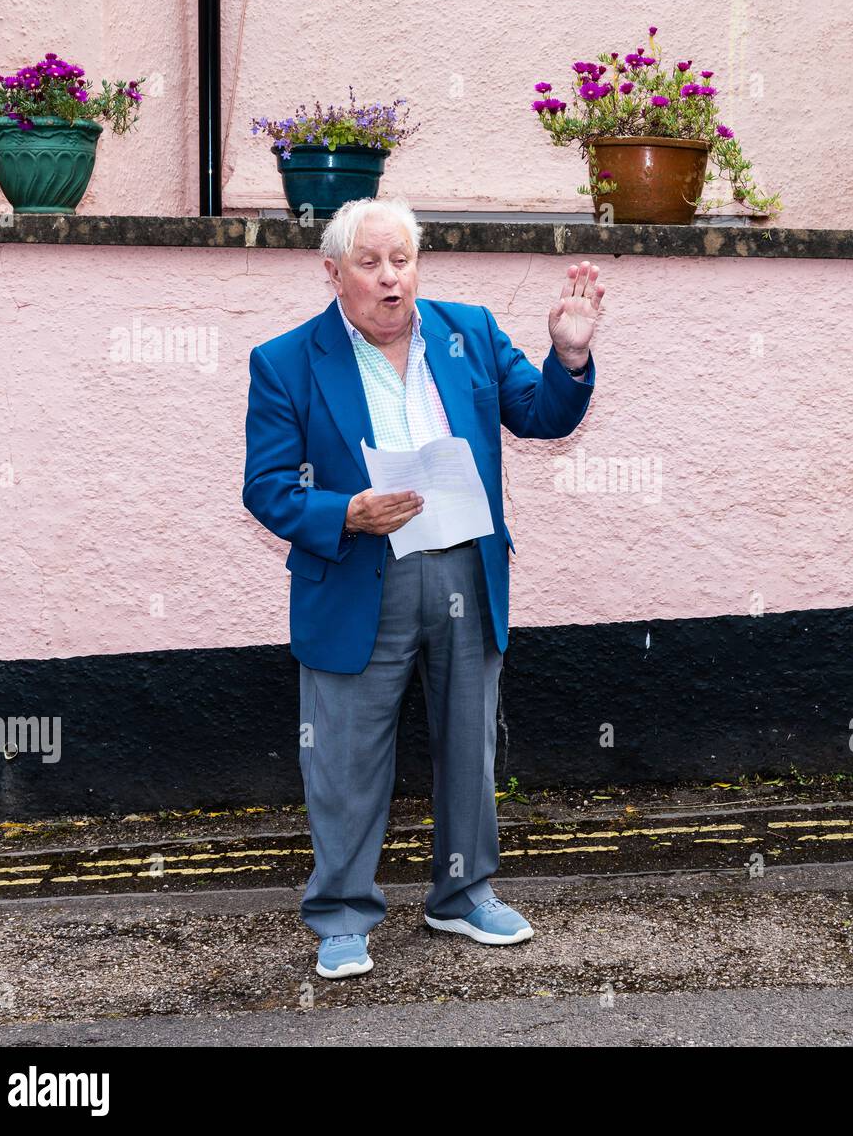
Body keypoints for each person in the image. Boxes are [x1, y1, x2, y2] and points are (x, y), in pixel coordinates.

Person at [242, 196, 602, 979]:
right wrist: (347, 511)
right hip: (358, 571)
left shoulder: (467, 330)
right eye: (370, 264)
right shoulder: (285, 361)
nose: (390, 279)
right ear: (334, 273)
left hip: (464, 565)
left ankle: (462, 893)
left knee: (469, 738)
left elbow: (539, 415)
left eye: (400, 260)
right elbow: (267, 488)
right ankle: (342, 914)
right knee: (344, 753)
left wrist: (568, 359)